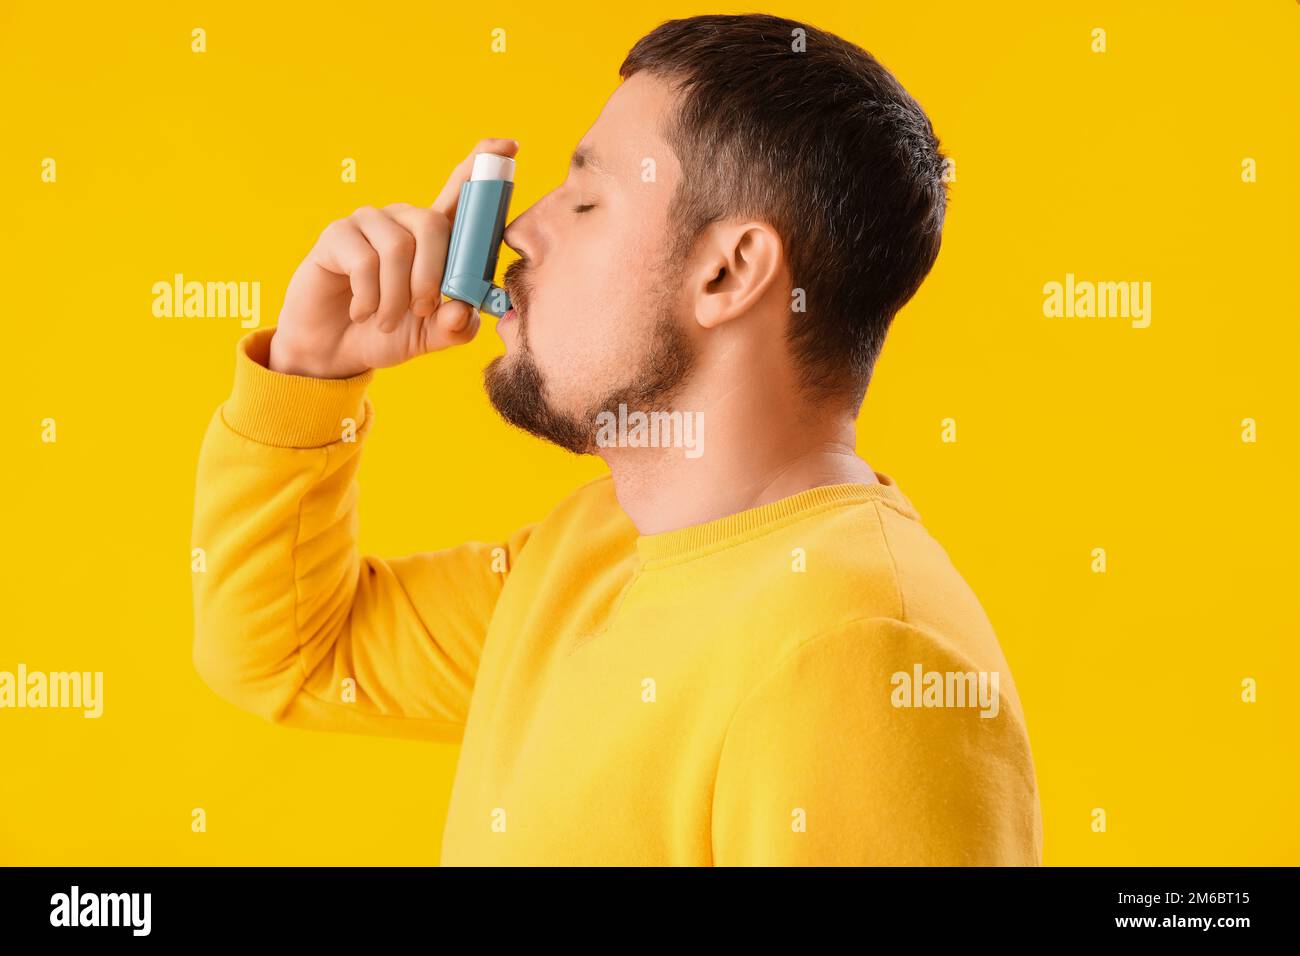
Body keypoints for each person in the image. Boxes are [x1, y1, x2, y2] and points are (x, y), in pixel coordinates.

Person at [191, 13, 1043, 866]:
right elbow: (287, 656)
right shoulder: (589, 551)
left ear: (730, 271)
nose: (519, 232)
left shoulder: (858, 655)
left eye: (587, 200)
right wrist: (308, 374)